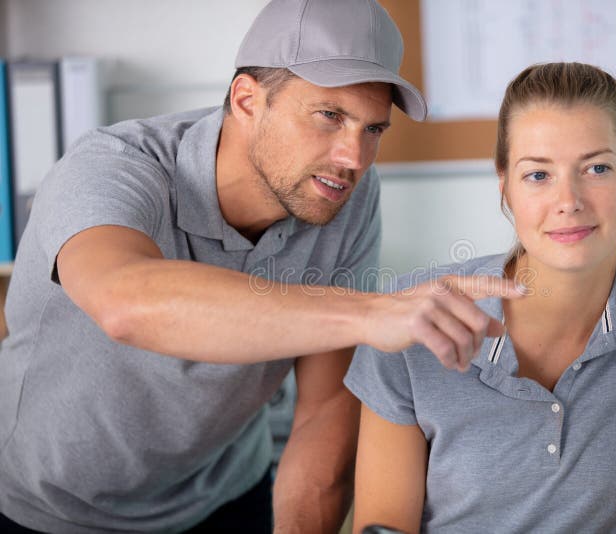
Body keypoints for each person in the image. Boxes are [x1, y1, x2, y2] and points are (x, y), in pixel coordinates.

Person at [0, 1, 521, 532]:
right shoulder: (113, 167)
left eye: (373, 130)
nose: (355, 158)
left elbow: (324, 412)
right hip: (49, 508)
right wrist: (371, 312)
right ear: (247, 99)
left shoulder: (345, 197)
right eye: (330, 116)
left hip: (224, 493)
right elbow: (125, 302)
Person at [345, 62, 616, 533]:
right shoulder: (409, 319)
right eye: (538, 175)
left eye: (597, 168)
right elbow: (384, 525)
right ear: (503, 183)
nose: (569, 200)